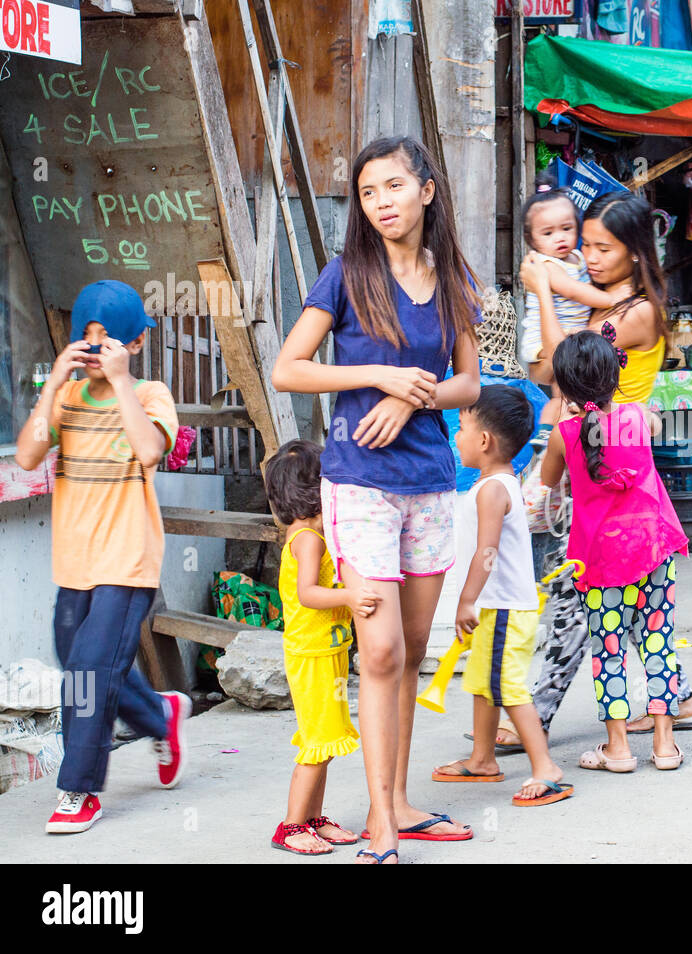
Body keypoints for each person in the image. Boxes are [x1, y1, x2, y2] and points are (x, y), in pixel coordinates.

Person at [272, 134, 480, 864]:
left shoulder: (453, 275)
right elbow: (288, 369)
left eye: (394, 186)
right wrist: (381, 378)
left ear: (426, 190)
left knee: (415, 650)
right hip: (358, 481)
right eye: (368, 192)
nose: (382, 202)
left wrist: (416, 399)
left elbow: (470, 385)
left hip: (431, 483)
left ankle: (392, 800)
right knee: (382, 648)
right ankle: (383, 828)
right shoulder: (344, 274)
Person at [509, 191, 692, 748]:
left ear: (636, 252)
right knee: (628, 601)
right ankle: (676, 698)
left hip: (606, 466)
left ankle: (536, 716)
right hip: (596, 458)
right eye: (585, 243)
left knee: (580, 596)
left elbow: (558, 365)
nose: (588, 256)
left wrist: (545, 290)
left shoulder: (635, 312)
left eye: (602, 247)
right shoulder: (604, 301)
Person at [14, 280, 187, 834]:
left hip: (128, 560)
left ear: (134, 345)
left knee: (88, 672)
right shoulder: (65, 399)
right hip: (75, 563)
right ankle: (161, 715)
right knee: (81, 662)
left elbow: (150, 449)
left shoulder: (152, 394)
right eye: (85, 341)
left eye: (106, 341)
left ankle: (79, 788)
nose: (95, 351)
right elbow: (25, 455)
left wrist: (120, 384)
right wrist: (52, 386)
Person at [541, 331, 690, 773]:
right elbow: (654, 422)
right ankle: (664, 745)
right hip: (653, 546)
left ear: (565, 387)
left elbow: (548, 483)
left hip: (599, 557)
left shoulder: (563, 434)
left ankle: (618, 748)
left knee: (609, 648)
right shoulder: (641, 419)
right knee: (658, 641)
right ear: (616, 375)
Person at [433, 385, 573, 807]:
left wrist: (465, 600)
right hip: (497, 607)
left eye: (463, 428)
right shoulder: (494, 483)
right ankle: (482, 759)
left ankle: (546, 769)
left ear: (484, 440)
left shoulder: (493, 490)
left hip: (503, 608)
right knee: (482, 683)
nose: (457, 436)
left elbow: (486, 552)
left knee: (507, 686)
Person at [264, 440, 375, 856]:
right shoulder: (308, 538)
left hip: (324, 653)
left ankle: (311, 818)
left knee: (324, 740)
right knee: (316, 742)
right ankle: (291, 826)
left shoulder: (310, 534)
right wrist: (349, 596)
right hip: (311, 657)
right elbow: (308, 593)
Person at [518, 183, 621, 446]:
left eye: (566, 228)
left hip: (567, 336)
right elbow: (575, 292)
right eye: (548, 233)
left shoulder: (575, 257)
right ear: (532, 240)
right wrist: (611, 299)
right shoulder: (548, 266)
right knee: (558, 392)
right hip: (544, 340)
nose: (560, 238)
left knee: (562, 392)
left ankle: (555, 430)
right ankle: (545, 431)